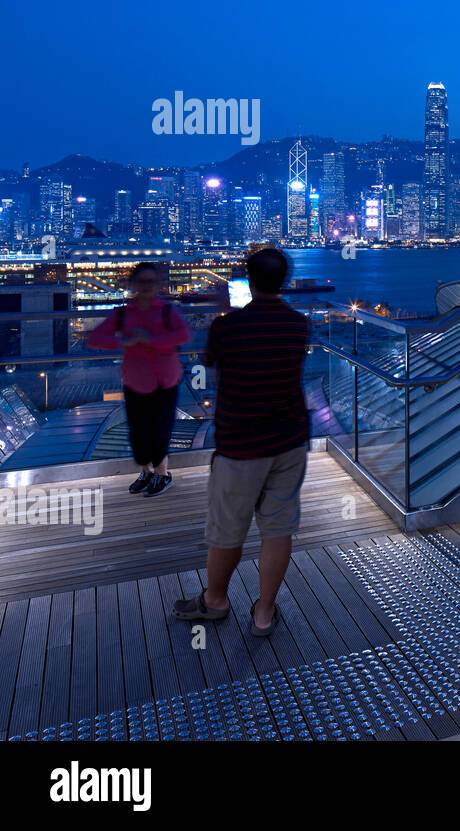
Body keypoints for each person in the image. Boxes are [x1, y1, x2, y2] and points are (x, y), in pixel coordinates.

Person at [173, 248, 311, 637]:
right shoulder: (299, 324)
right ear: (284, 281)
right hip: (289, 439)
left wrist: (225, 311)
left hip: (240, 443)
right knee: (278, 528)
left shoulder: (228, 327)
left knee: (228, 528)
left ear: (248, 280)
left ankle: (215, 601)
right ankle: (264, 613)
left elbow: (211, 362)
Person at [86, 262, 190, 497]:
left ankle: (162, 474)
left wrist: (148, 340)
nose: (146, 286)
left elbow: (183, 335)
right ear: (132, 284)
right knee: (138, 432)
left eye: (150, 281)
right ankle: (147, 471)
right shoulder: (123, 314)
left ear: (158, 284)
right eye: (142, 281)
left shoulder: (166, 311)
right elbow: (95, 338)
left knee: (159, 431)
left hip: (164, 381)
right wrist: (125, 341)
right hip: (136, 380)